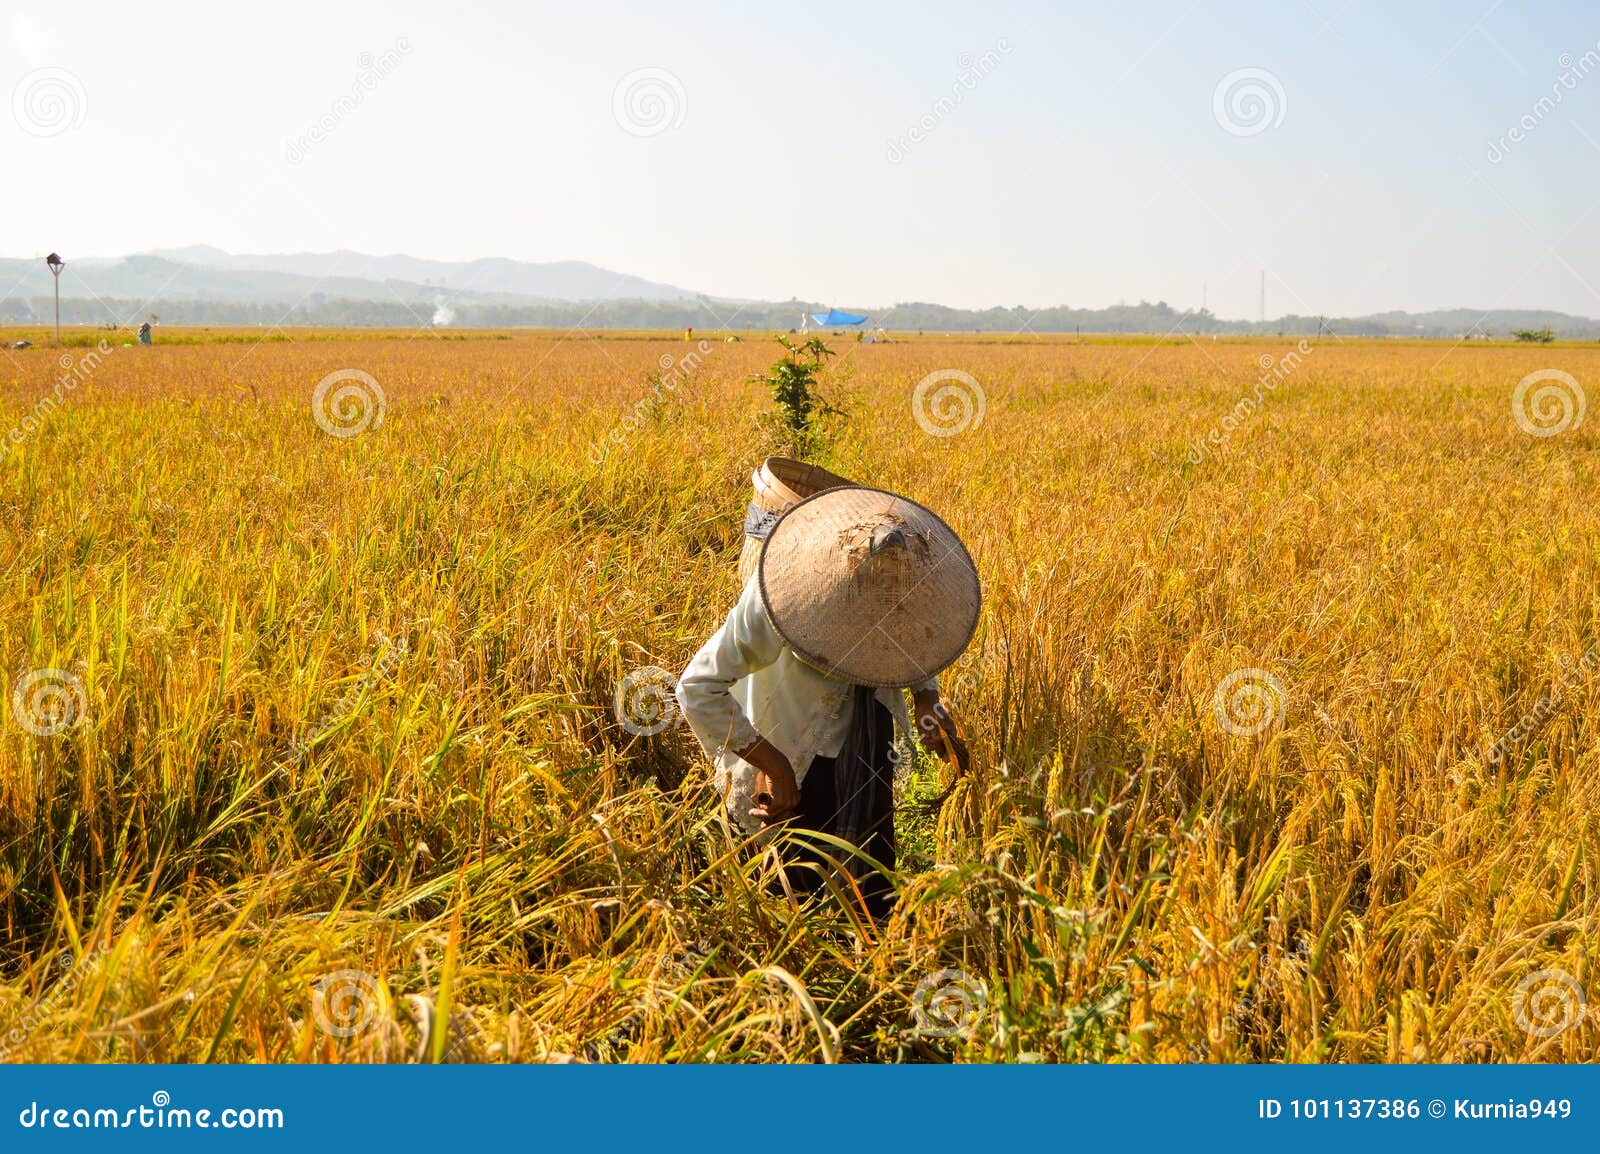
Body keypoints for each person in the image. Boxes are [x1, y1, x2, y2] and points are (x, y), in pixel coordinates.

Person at [676, 486, 979, 920]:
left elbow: (916, 636)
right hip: (799, 760)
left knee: (868, 888)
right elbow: (696, 688)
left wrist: (926, 696)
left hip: (869, 743)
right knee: (793, 897)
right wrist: (773, 766)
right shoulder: (778, 594)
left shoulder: (902, 584)